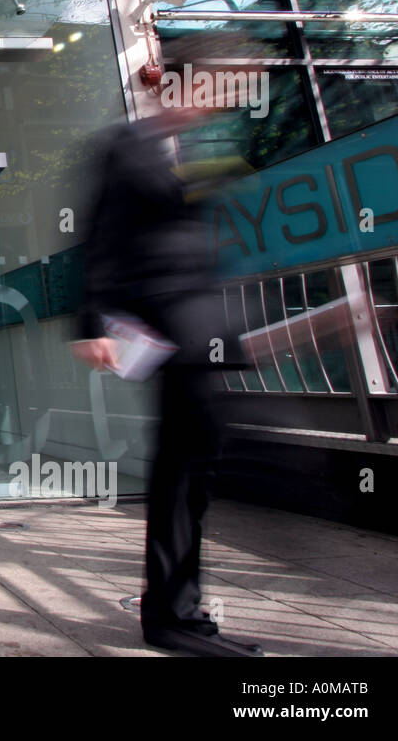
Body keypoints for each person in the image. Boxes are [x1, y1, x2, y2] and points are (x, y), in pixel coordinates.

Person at [70, 101, 262, 657]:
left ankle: (176, 612)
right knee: (183, 475)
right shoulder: (125, 145)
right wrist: (93, 320)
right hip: (168, 333)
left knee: (190, 473)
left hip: (198, 331)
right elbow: (100, 235)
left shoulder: (191, 153)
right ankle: (174, 616)